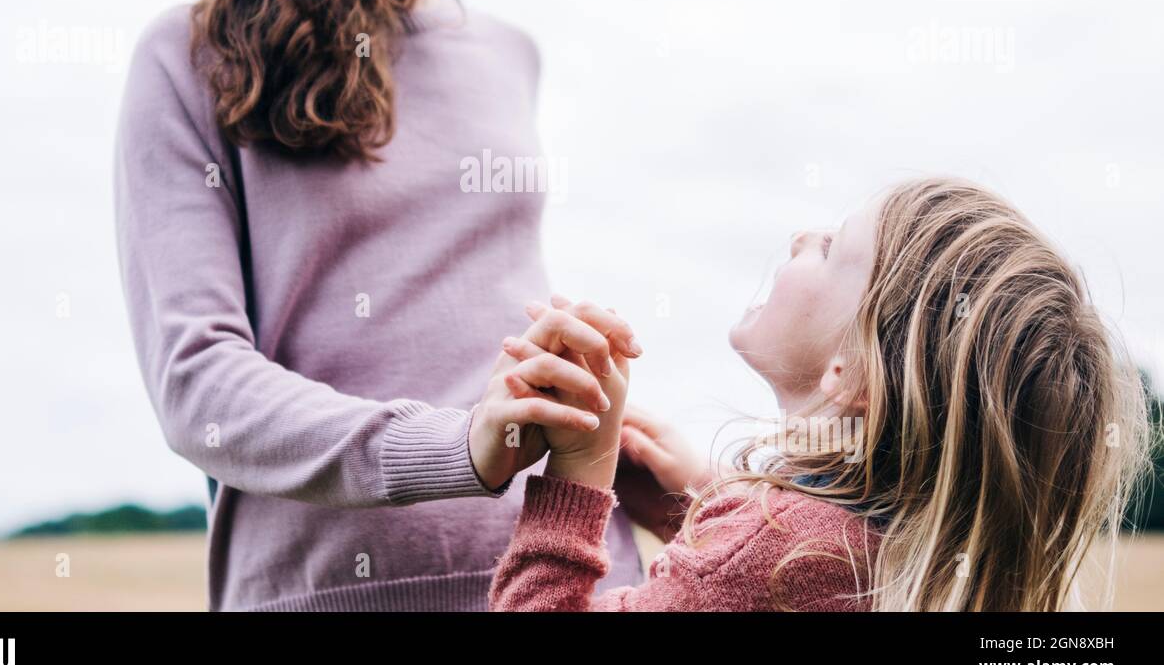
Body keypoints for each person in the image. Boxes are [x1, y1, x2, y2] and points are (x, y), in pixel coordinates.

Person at [113, 0, 644, 611]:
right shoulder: (189, 56)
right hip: (323, 592)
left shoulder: (512, 56)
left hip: (568, 580)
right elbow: (197, 383)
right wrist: (456, 446)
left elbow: (483, 312)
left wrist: (594, 417)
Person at [490, 177, 1152, 610]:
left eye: (833, 248)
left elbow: (744, 576)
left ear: (855, 373)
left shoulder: (765, 553)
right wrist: (694, 496)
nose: (803, 235)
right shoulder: (916, 563)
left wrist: (578, 473)